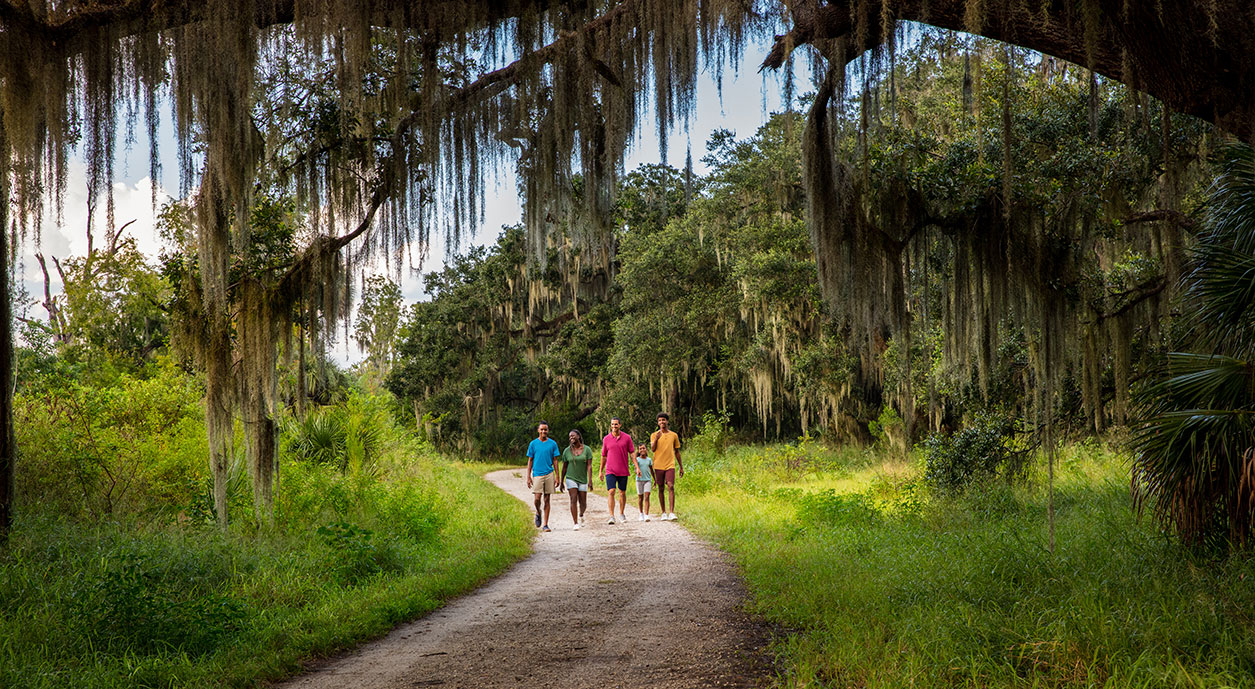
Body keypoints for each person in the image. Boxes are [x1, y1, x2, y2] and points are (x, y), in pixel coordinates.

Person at [526, 420, 562, 532]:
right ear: (538, 430)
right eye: (541, 429)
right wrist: (528, 476)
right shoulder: (533, 444)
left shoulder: (552, 444)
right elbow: (530, 460)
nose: (543, 431)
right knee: (537, 499)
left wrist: (557, 476)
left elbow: (555, 460)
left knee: (547, 499)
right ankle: (538, 512)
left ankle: (545, 524)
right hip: (537, 474)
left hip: (549, 473)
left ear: (548, 430)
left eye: (545, 429)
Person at [599, 417, 633, 524]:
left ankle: (622, 514)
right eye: (612, 424)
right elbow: (603, 456)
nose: (614, 426)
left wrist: (636, 467)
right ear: (610, 425)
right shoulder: (606, 439)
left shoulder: (627, 438)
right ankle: (611, 516)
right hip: (610, 470)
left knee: (622, 493)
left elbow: (632, 453)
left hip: (623, 470)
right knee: (611, 491)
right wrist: (601, 470)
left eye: (616, 424)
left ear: (620, 425)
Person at [650, 412, 683, 521]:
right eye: (660, 420)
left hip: (670, 464)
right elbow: (653, 449)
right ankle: (663, 512)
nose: (662, 422)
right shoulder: (654, 435)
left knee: (671, 486)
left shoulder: (673, 435)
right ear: (658, 423)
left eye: (663, 420)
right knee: (661, 488)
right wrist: (656, 439)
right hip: (658, 465)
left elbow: (677, 452)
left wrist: (681, 467)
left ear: (667, 421)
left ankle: (672, 512)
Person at [558, 429, 594, 530]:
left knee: (583, 503)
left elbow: (589, 466)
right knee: (573, 499)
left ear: (578, 436)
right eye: (570, 436)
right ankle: (575, 523)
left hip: (583, 479)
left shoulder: (587, 450)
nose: (571, 438)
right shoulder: (567, 451)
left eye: (573, 436)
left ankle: (581, 514)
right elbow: (564, 467)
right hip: (571, 478)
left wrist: (590, 480)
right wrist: (561, 481)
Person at [634, 445, 653, 521]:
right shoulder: (637, 460)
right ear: (638, 451)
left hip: (647, 480)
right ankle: (641, 513)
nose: (642, 450)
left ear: (646, 449)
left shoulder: (649, 460)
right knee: (640, 498)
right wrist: (637, 472)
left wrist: (655, 479)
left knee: (647, 496)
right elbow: (635, 469)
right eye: (640, 449)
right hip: (639, 480)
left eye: (643, 448)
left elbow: (651, 470)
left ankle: (646, 515)